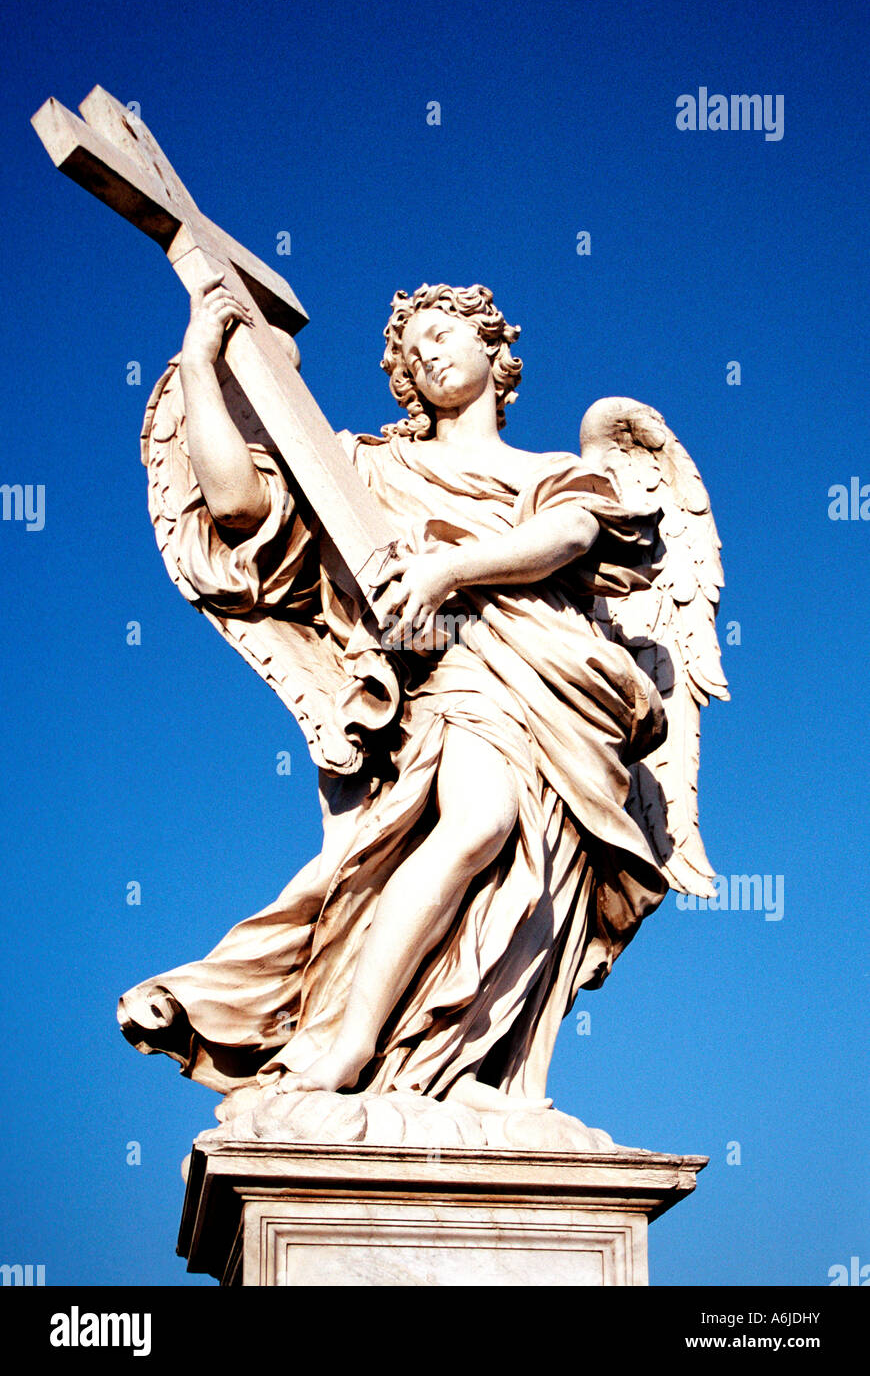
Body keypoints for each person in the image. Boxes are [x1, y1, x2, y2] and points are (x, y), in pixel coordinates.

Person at [119, 279, 669, 1114]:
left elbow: (569, 536)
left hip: (567, 692)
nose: (430, 352)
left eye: (446, 334)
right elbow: (237, 505)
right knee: (480, 823)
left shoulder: (558, 472)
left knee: (536, 881)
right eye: (414, 350)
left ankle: (468, 1065)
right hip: (456, 677)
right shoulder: (371, 470)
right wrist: (201, 360)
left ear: (497, 350)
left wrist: (448, 567)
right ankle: (349, 1043)